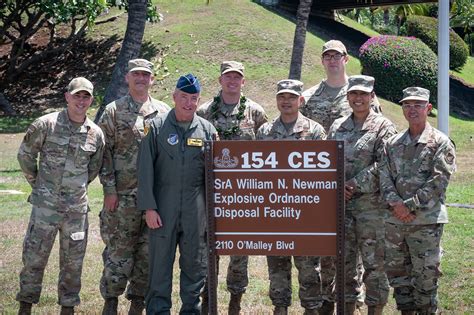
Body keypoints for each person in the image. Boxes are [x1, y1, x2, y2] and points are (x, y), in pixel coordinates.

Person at [16, 77, 105, 315]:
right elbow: (25, 155)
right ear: (67, 97)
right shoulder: (46, 124)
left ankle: (67, 308)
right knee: (34, 258)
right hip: (46, 208)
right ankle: (25, 306)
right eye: (77, 95)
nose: (81, 100)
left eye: (86, 96)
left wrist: (77, 188)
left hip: (76, 211)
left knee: (73, 263)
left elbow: (94, 168)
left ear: (91, 100)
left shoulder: (95, 133)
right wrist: (39, 184)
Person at [137, 74, 218, 314]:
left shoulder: (208, 131)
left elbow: (215, 177)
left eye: (193, 98)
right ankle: (158, 310)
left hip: (196, 210)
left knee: (194, 266)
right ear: (174, 97)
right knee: (160, 266)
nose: (188, 103)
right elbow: (145, 170)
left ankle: (190, 310)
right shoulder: (156, 127)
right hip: (163, 207)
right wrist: (149, 208)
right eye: (184, 97)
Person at [97, 58, 170, 314]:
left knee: (148, 254)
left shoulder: (163, 111)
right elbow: (103, 154)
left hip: (154, 200)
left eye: (145, 75)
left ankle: (137, 303)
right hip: (123, 197)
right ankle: (111, 301)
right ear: (127, 78)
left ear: (152, 79)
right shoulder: (113, 111)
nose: (141, 78)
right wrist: (109, 190)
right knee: (119, 251)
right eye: (136, 74)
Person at [197, 60, 267, 313]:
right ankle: (208, 302)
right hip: (211, 195)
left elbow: (267, 154)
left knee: (240, 252)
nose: (232, 81)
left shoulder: (255, 112)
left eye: (237, 77)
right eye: (228, 77)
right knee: (209, 250)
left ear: (243, 82)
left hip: (243, 197)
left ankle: (235, 302)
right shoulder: (205, 112)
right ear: (220, 81)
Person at [379, 87, 456, 315]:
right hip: (395, 223)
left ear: (428, 108)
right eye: (407, 105)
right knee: (400, 281)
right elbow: (384, 177)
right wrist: (397, 205)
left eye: (417, 105)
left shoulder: (441, 143)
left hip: (425, 224)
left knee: (425, 282)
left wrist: (408, 206)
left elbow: (438, 181)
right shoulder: (392, 143)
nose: (412, 110)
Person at [327, 75, 397, 314]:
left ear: (371, 96)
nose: (358, 98)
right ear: (348, 96)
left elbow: (385, 164)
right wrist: (337, 185)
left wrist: (353, 184)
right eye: (354, 94)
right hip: (342, 209)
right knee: (344, 265)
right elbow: (326, 161)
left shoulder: (384, 126)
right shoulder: (338, 126)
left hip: (372, 209)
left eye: (363, 94)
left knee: (375, 267)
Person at [257, 79, 326, 315]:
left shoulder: (315, 131)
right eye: (282, 96)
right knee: (277, 266)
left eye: (291, 97)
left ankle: (311, 309)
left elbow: (324, 175)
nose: (286, 101)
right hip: (275, 213)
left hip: (305, 214)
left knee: (308, 268)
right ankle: (280, 308)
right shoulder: (265, 132)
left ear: (301, 100)